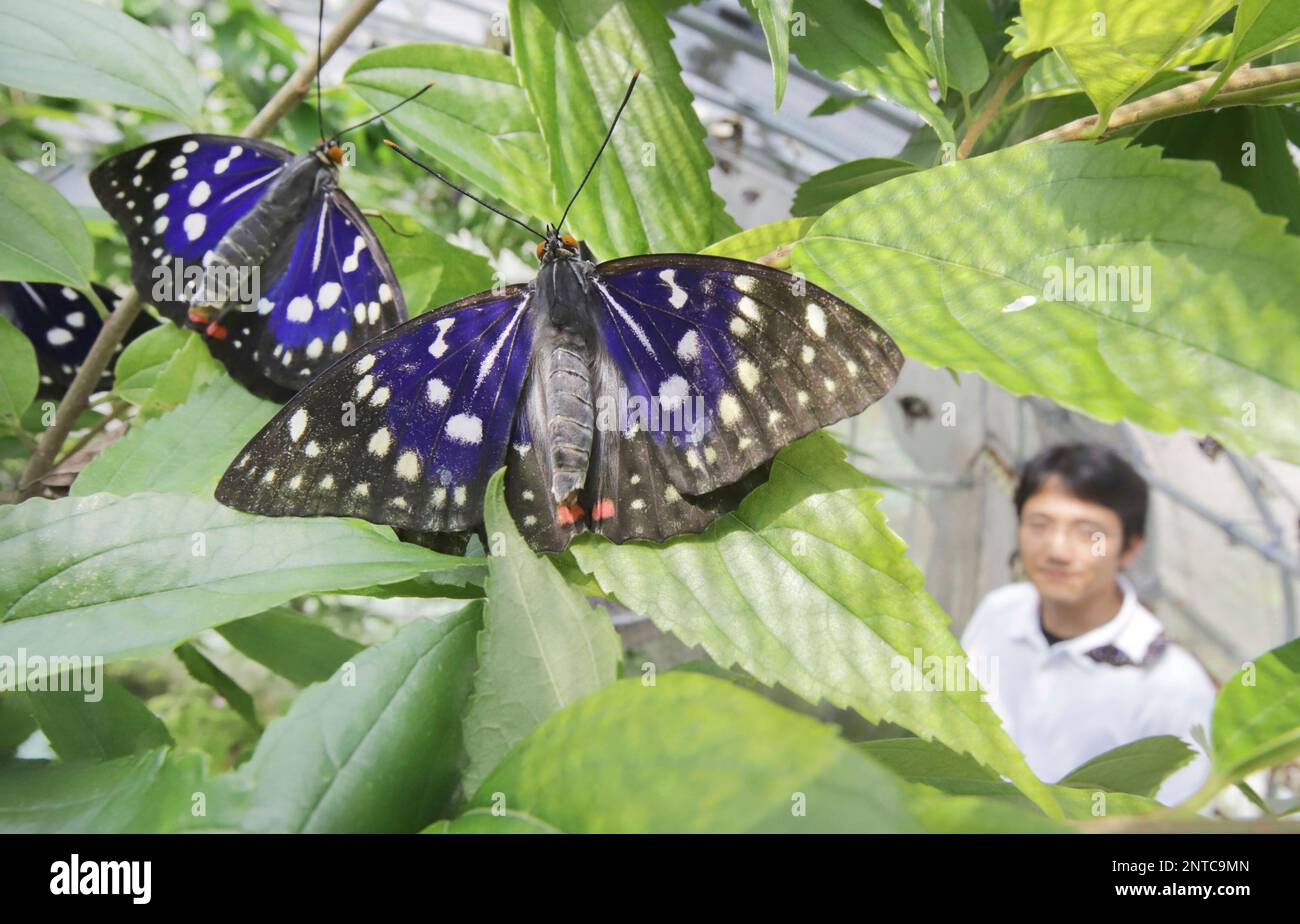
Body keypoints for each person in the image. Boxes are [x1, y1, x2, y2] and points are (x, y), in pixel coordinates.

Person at [960, 443, 1218, 808]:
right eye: (1039, 525)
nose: (1057, 550)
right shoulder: (998, 612)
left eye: (1089, 534)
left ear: (1129, 548)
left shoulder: (1172, 686)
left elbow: (1180, 822)